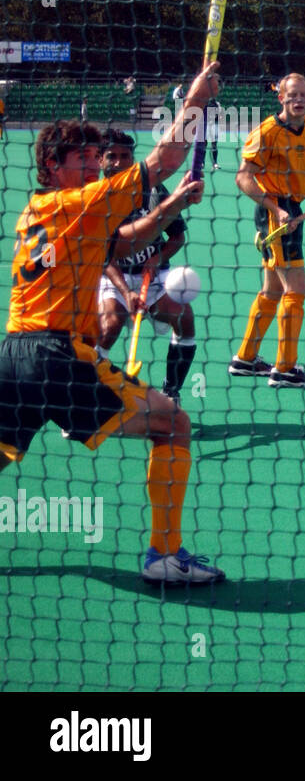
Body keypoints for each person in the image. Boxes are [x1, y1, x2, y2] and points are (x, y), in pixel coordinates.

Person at [0, 63, 224, 584]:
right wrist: (195, 97)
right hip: (58, 358)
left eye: (97, 159)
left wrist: (168, 207)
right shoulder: (86, 200)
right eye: (84, 159)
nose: (95, 167)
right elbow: (165, 157)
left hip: (12, 356)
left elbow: (122, 243)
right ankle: (164, 557)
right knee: (174, 424)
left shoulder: (39, 210)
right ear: (53, 165)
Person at [229, 73, 305, 387]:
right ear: (281, 98)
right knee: (295, 291)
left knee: (272, 291)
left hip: (294, 209)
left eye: (303, 95)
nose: (298, 100)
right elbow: (243, 177)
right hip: (275, 214)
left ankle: (245, 359)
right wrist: (276, 210)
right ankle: (285, 369)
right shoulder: (268, 132)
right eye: (292, 96)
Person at [95, 130, 198, 404]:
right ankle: (83, 399)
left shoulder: (152, 190)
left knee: (184, 319)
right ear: (100, 161)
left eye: (124, 157)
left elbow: (177, 237)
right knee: (110, 325)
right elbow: (103, 257)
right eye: (111, 157)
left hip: (153, 276)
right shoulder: (96, 197)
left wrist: (157, 258)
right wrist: (126, 292)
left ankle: (170, 391)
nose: (118, 163)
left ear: (133, 159)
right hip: (111, 275)